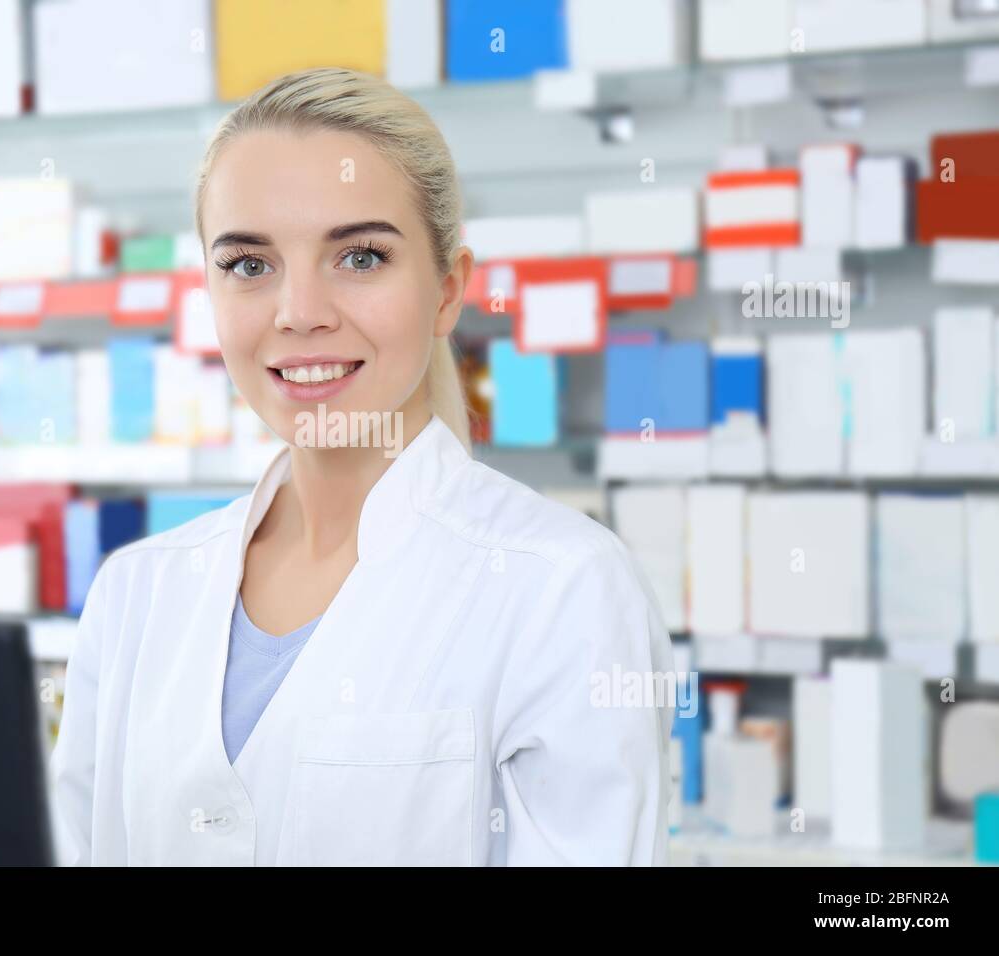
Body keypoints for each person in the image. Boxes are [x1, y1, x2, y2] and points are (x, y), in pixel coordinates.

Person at [50, 67, 675, 866]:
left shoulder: (561, 589)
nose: (300, 311)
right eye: (249, 264)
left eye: (360, 258)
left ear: (447, 290)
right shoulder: (135, 593)